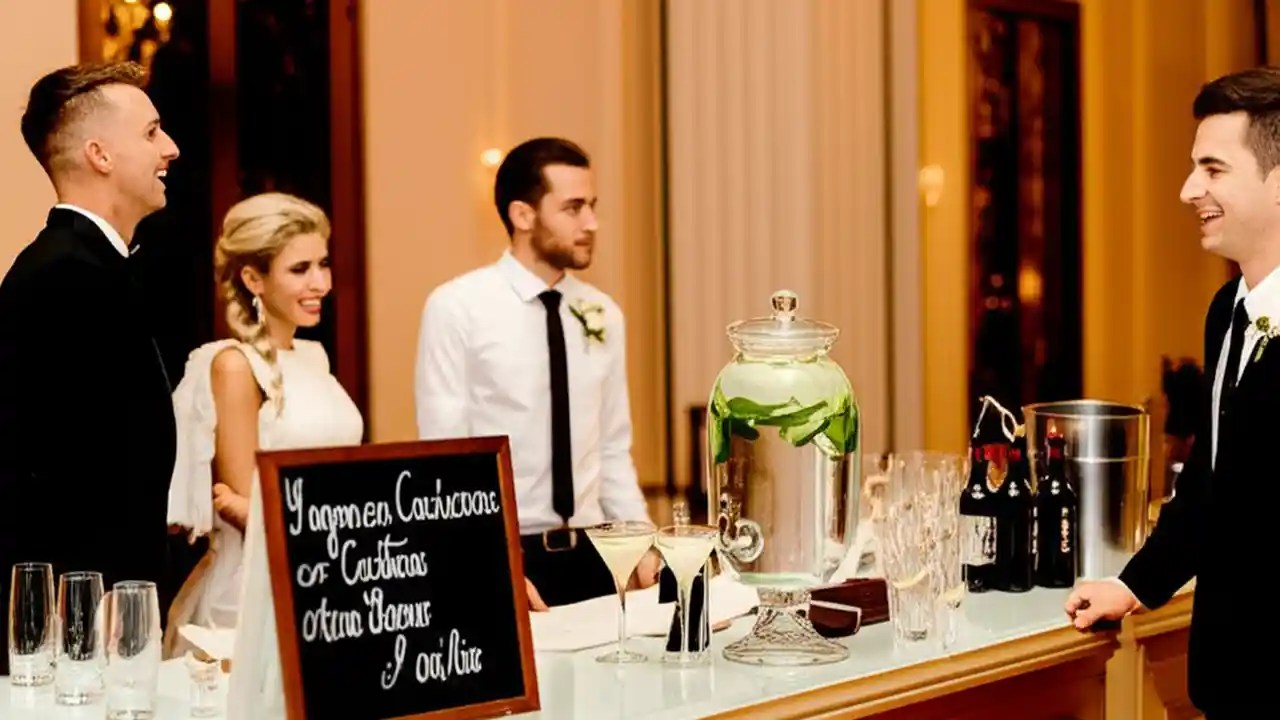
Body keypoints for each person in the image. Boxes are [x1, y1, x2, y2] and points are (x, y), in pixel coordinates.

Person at [1065, 67, 1280, 716]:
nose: (1189, 190)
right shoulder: (1227, 311)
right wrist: (1133, 586)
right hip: (1229, 682)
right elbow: (1211, 486)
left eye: (1213, 170)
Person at [415, 137, 657, 609]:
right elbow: (447, 459)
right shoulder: (457, 307)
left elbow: (612, 447)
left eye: (592, 205)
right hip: (508, 553)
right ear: (523, 215)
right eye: (573, 208)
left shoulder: (602, 312)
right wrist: (484, 561)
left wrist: (641, 540)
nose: (592, 223)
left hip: (598, 551)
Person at [0, 62, 181, 673]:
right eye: (152, 132)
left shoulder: (101, 268)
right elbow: (52, 472)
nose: (171, 149)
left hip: (115, 608)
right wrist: (91, 617)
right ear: (100, 154)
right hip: (82, 623)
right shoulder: (62, 276)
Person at [165, 192, 363, 642]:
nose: (322, 284)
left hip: (327, 573)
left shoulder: (313, 358)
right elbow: (238, 506)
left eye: (323, 264)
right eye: (300, 269)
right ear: (253, 277)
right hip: (256, 592)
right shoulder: (234, 365)